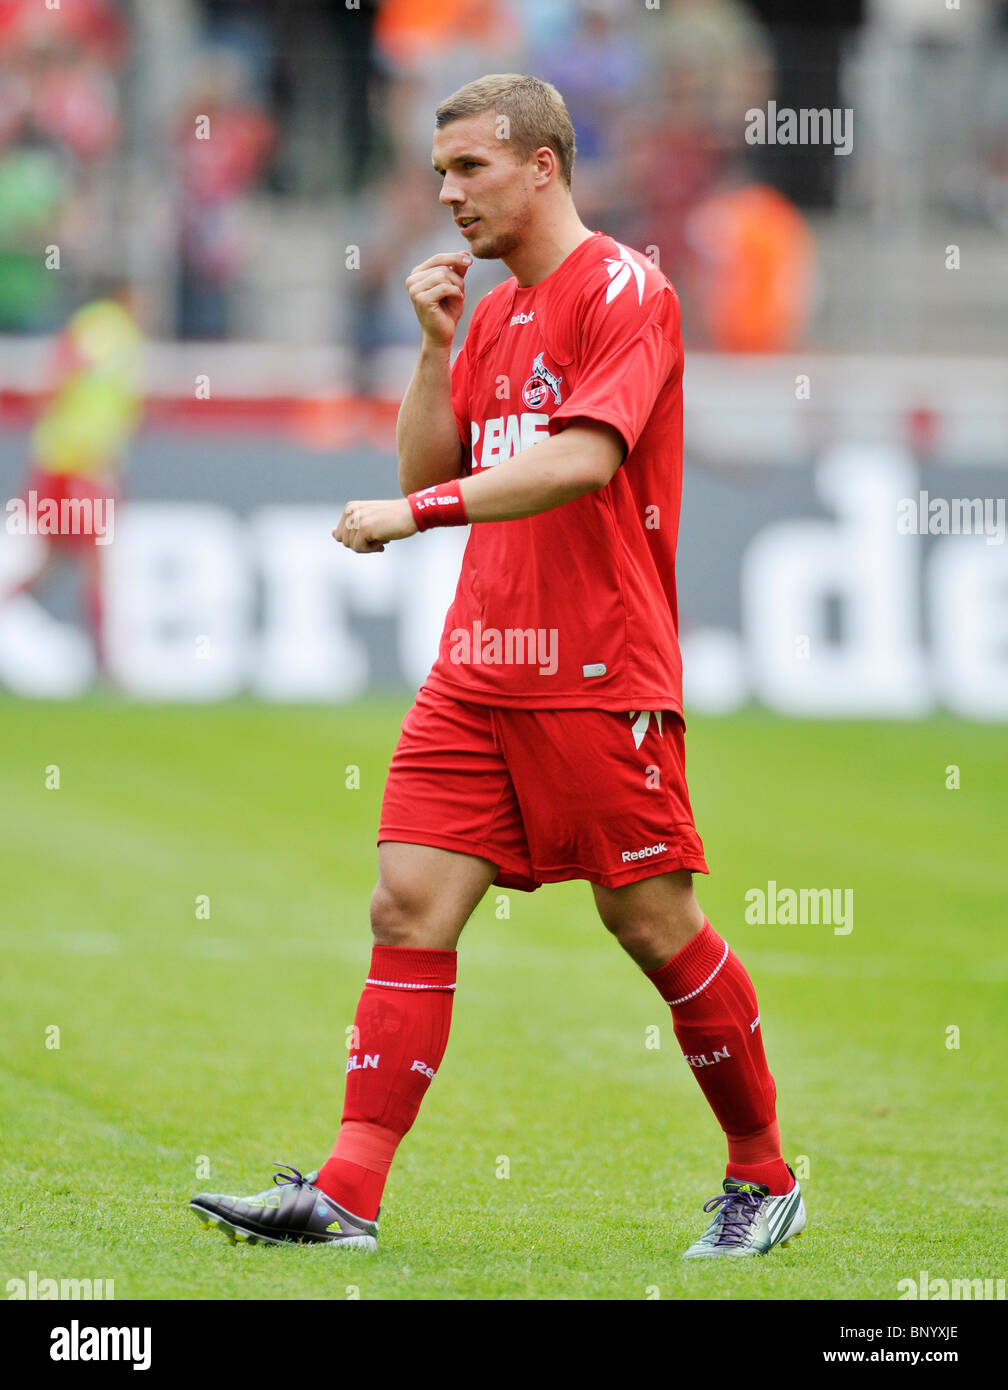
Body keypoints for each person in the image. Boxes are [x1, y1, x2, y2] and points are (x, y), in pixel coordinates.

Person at [190, 74, 806, 1260]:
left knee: (651, 920)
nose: (447, 195)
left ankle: (763, 1172)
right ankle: (345, 1192)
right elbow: (443, 450)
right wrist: (432, 349)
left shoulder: (625, 290)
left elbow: (578, 461)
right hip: (478, 668)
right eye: (438, 174)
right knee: (408, 904)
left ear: (544, 165)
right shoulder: (496, 315)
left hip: (597, 669)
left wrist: (410, 514)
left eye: (469, 168)